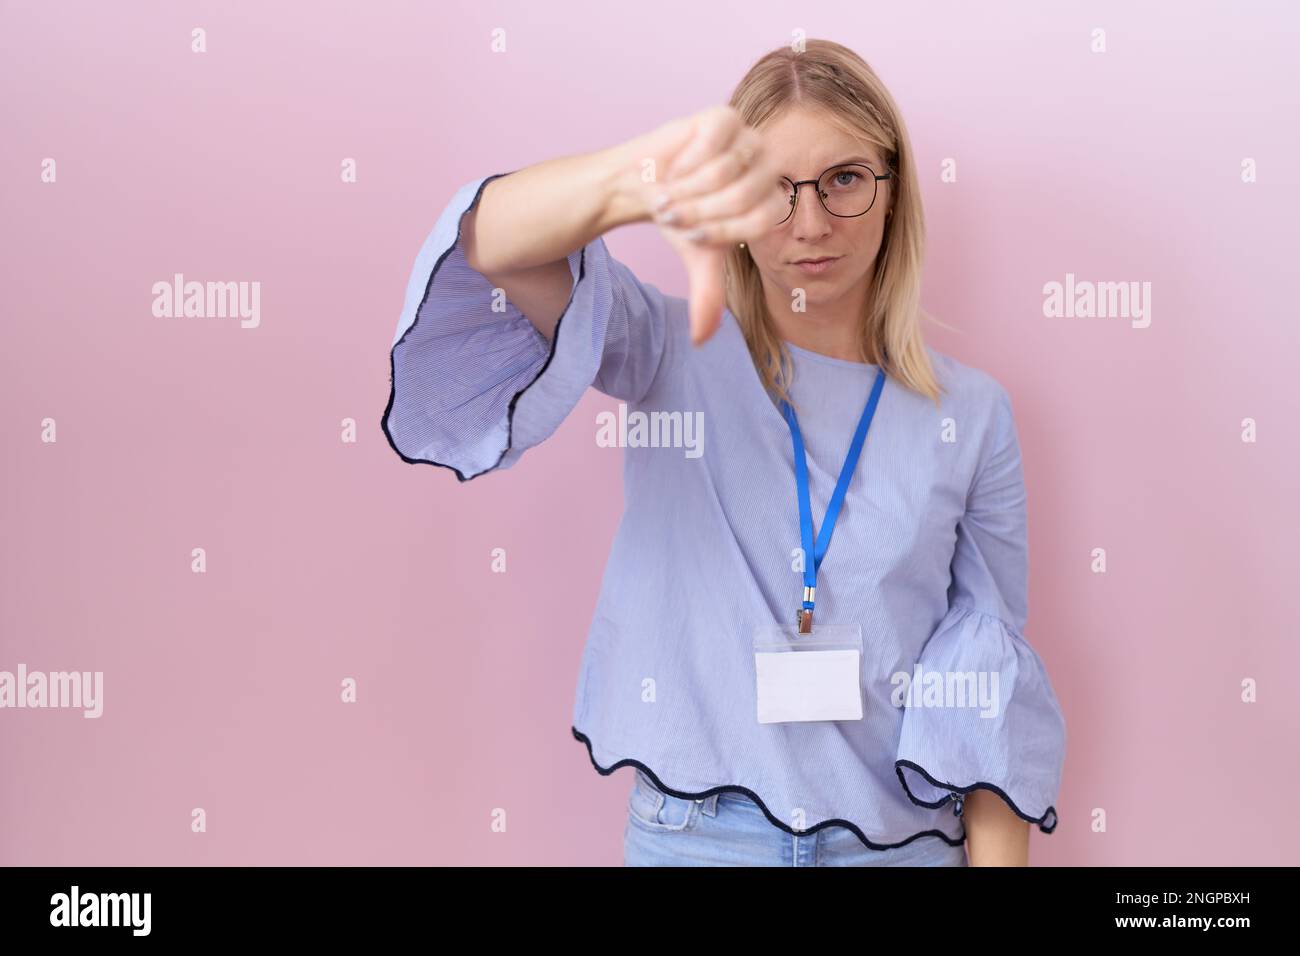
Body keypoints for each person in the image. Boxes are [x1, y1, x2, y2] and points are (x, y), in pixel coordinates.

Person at [382, 39, 1066, 867]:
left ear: (892, 191)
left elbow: (984, 686)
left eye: (844, 179)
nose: (809, 223)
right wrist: (636, 177)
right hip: (696, 843)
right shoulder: (667, 346)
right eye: (773, 189)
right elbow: (492, 244)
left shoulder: (974, 414)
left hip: (899, 848)